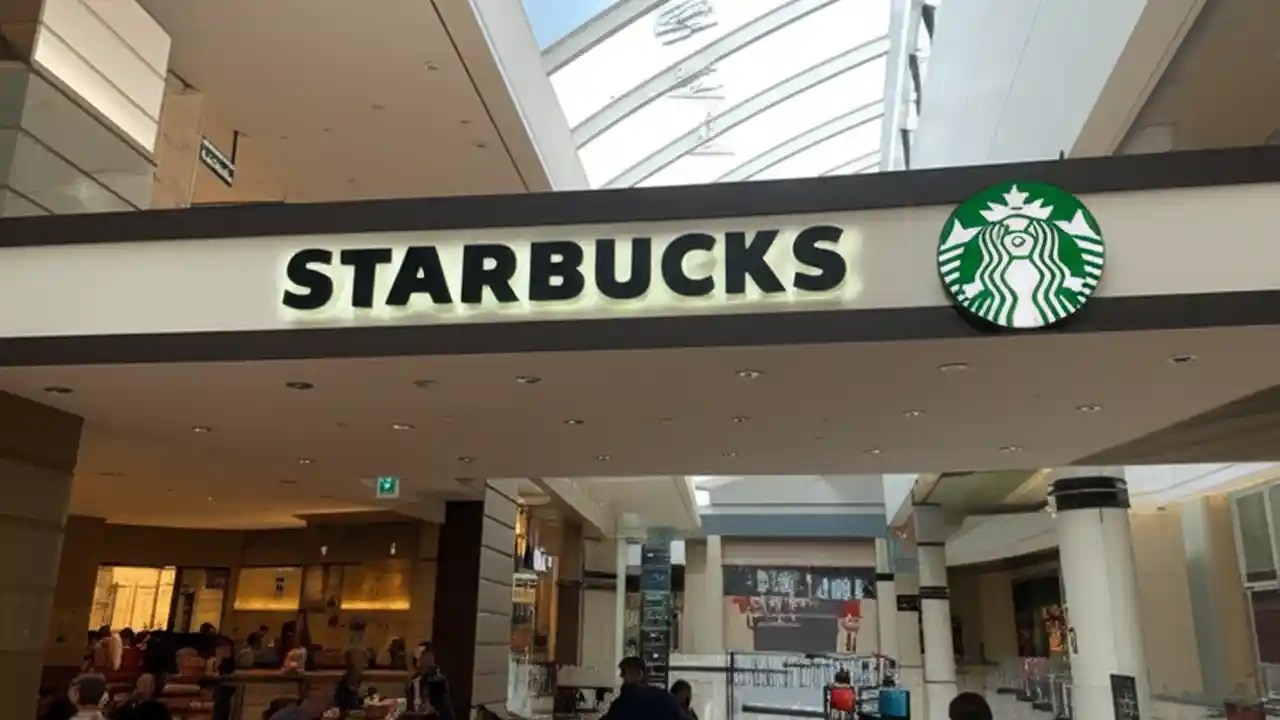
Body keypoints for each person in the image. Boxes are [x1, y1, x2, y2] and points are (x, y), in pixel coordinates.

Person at [601, 657, 683, 720]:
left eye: (624, 671)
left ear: (639, 674)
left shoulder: (624, 702)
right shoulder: (664, 697)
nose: (621, 675)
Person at [405, 642, 454, 720]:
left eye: (421, 655)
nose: (418, 658)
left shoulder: (437, 680)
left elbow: (444, 710)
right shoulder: (413, 681)